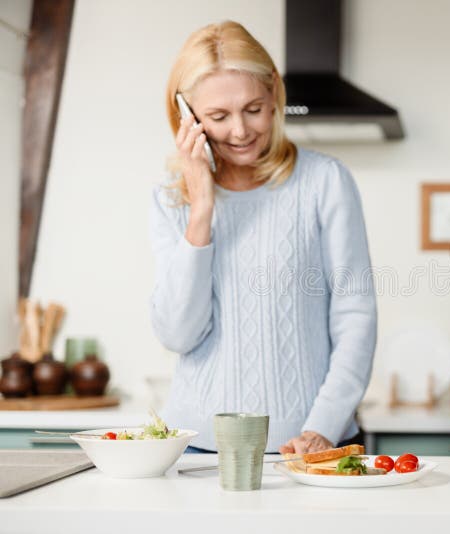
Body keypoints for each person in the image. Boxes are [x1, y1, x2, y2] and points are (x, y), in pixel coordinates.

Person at [150, 21, 376, 454]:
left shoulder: (325, 182)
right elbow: (178, 334)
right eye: (218, 116)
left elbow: (355, 315)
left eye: (253, 108)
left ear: (274, 93)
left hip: (309, 445)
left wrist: (324, 427)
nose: (239, 130)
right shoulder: (170, 200)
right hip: (197, 448)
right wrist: (201, 210)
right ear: (188, 116)